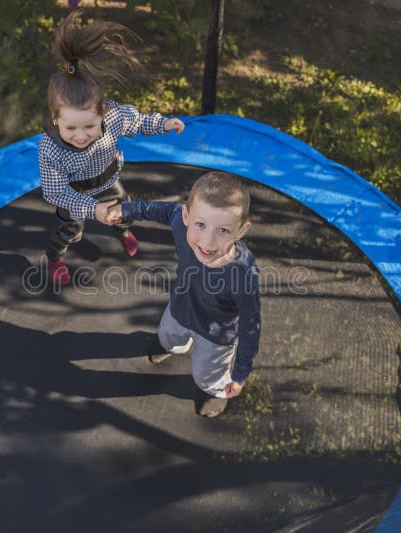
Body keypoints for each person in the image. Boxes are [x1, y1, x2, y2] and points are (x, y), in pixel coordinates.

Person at [39, 10, 185, 284]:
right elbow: (55, 191)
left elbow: (139, 121)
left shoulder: (114, 117)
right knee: (70, 231)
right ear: (56, 118)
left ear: (102, 113)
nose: (81, 136)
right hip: (75, 194)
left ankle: (123, 231)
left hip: (108, 180)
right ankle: (54, 257)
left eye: (89, 127)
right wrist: (93, 210)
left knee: (123, 211)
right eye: (71, 128)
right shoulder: (50, 148)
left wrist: (163, 124)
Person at [105, 172, 261, 418]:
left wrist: (241, 373)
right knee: (168, 337)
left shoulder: (243, 273)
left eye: (223, 230)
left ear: (241, 231)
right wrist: (127, 209)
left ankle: (217, 391)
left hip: (216, 333)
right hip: (181, 307)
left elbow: (251, 325)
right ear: (187, 217)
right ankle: (174, 346)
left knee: (205, 375)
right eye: (201, 225)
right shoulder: (180, 220)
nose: (208, 241)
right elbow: (161, 210)